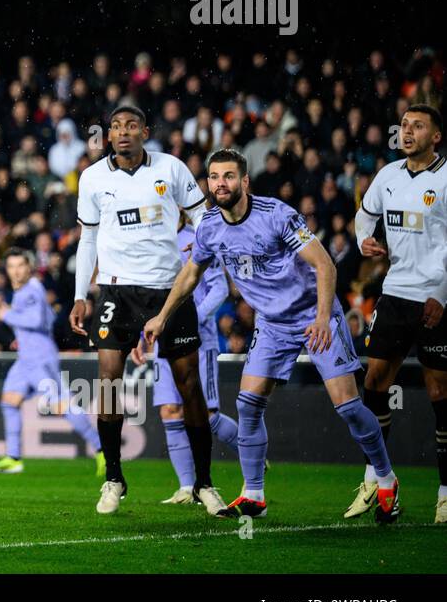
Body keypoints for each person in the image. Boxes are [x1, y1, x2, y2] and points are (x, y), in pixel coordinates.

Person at [141, 149, 400, 522]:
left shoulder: (276, 215)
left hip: (315, 314)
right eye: (214, 177)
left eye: (229, 176)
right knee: (248, 403)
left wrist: (324, 318)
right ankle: (253, 494)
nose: (221, 184)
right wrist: (162, 316)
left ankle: (385, 476)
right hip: (273, 323)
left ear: (244, 181)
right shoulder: (210, 226)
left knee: (347, 405)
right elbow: (190, 274)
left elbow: (324, 264)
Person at [70, 105, 231, 517]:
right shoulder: (92, 178)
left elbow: (201, 216)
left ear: (144, 131)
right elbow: (87, 240)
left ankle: (204, 483)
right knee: (107, 381)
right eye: (115, 128)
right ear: (108, 136)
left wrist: (207, 248)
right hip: (115, 291)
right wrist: (79, 295)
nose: (123, 133)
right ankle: (114, 478)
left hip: (168, 290)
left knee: (188, 384)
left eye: (131, 126)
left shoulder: (171, 168)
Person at [350, 105, 447, 523]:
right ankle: (379, 479)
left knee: (440, 393)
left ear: (436, 136)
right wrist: (363, 240)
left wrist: (442, 293)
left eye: (418, 126)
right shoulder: (388, 175)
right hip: (395, 292)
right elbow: (364, 214)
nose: (407, 132)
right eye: (404, 125)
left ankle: (445, 490)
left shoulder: (445, 178)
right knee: (373, 382)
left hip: (437, 298)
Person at [0, 250, 105, 476]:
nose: (16, 270)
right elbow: (48, 318)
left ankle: (102, 449)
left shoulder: (31, 288)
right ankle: (13, 458)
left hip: (40, 358)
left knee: (62, 405)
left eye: (20, 265)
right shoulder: (25, 291)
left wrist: (7, 315)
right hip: (26, 359)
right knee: (9, 401)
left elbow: (36, 320)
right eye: (11, 266)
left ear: (29, 267)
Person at [152, 221, 239, 504]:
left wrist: (189, 319)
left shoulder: (197, 239)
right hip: (161, 337)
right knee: (169, 411)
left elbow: (219, 289)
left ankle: (252, 454)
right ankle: (186, 487)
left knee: (207, 414)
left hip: (198, 341)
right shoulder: (148, 238)